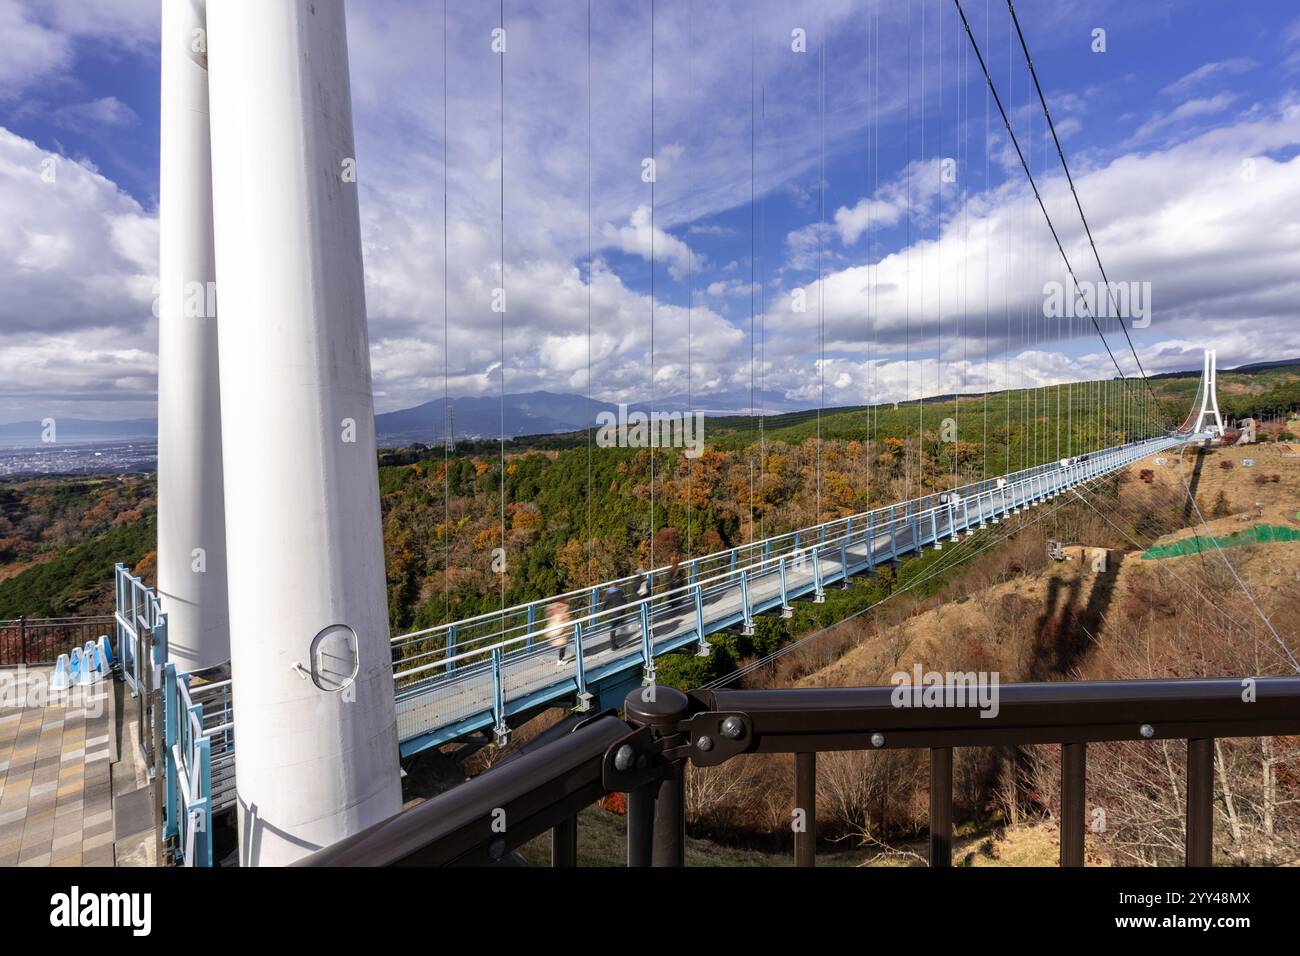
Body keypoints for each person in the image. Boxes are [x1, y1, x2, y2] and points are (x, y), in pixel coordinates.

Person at [602, 584, 629, 649]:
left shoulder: (608, 594)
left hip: (612, 615)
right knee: (621, 620)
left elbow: (604, 604)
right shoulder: (620, 592)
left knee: (612, 629)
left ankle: (613, 645)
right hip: (620, 612)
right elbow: (625, 601)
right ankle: (623, 627)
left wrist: (603, 610)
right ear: (616, 587)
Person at [545, 600, 572, 664]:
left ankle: (560, 659)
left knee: (562, 645)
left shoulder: (554, 609)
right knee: (563, 645)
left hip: (558, 631)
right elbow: (564, 618)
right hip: (560, 631)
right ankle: (560, 660)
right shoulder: (559, 610)